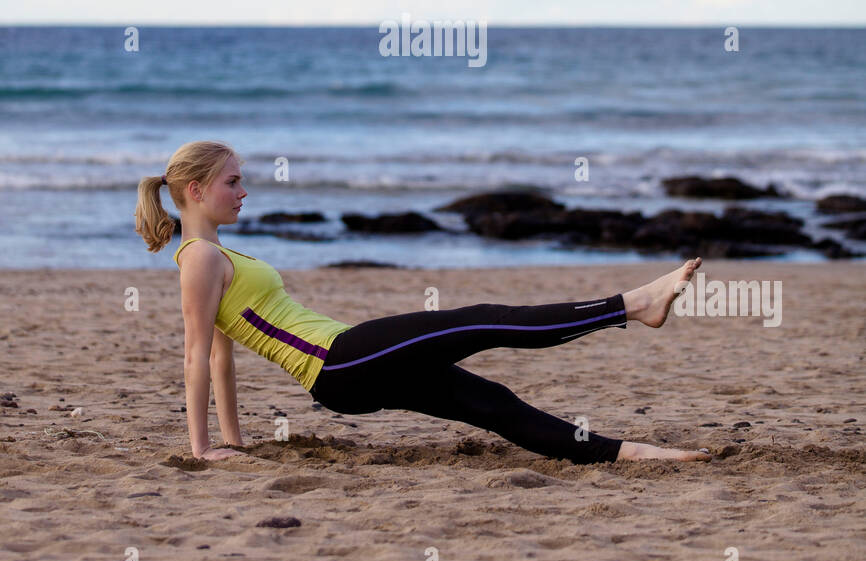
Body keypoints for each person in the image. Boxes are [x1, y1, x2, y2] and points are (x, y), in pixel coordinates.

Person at [135, 140, 712, 466]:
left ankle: (629, 454)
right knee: (481, 320)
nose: (243, 190)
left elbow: (222, 357)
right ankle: (634, 305)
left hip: (348, 364)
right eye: (232, 181)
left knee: (489, 401)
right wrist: (202, 450)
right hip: (336, 362)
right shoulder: (201, 259)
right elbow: (197, 356)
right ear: (196, 191)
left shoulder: (216, 252)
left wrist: (233, 443)